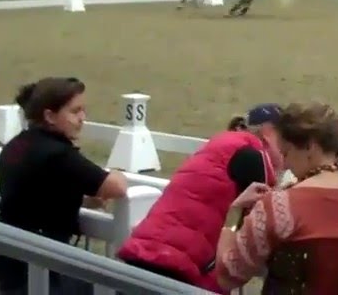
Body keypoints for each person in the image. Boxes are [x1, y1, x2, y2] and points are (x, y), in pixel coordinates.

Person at [213, 103, 338, 294]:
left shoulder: (278, 207)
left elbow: (228, 275)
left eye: (286, 153)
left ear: (309, 147)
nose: (285, 164)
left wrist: (233, 215)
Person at [0, 77, 128, 295]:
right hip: (36, 270)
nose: (82, 118)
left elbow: (35, 193)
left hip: (0, 261)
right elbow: (116, 187)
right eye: (75, 111)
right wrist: (118, 172)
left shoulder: (17, 144)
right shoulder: (58, 154)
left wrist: (83, 200)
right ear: (49, 116)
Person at [117, 104, 285, 292]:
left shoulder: (220, 145)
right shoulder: (253, 156)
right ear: (268, 134)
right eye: (288, 140)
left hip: (145, 252)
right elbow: (272, 219)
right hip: (176, 267)